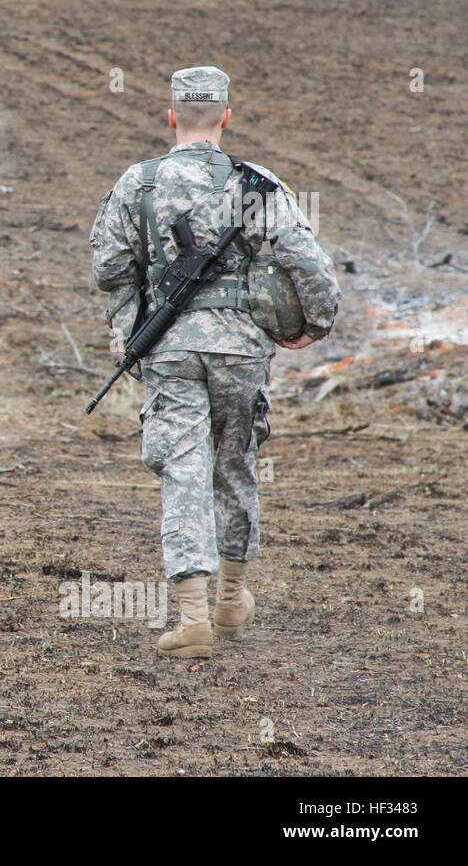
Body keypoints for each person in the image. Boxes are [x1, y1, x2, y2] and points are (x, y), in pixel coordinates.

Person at [89, 65, 339, 658]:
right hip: (241, 349)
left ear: (171, 115)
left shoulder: (139, 183)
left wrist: (136, 337)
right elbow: (308, 263)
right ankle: (232, 600)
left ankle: (192, 616)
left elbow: (108, 270)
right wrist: (312, 326)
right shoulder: (256, 183)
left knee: (182, 468)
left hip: (169, 348)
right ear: (226, 116)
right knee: (235, 464)